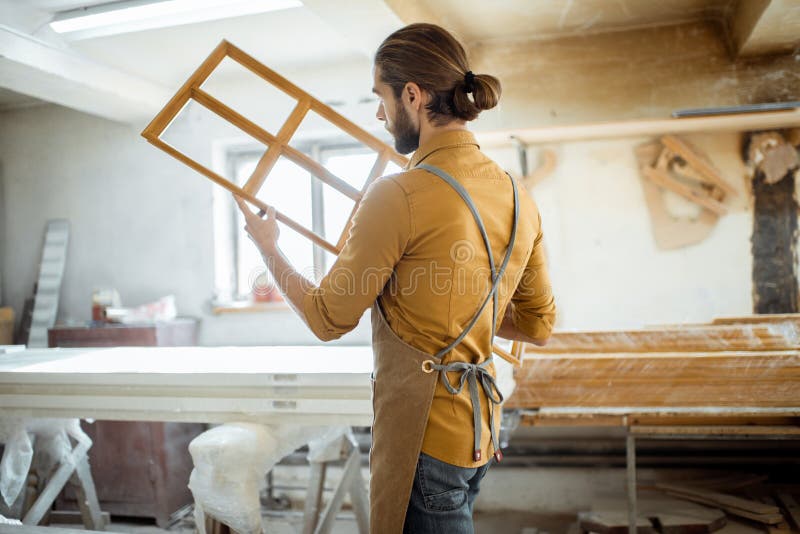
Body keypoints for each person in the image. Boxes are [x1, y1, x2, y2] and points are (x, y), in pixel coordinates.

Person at [235, 22, 556, 534]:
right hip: (479, 430)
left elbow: (327, 318)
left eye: (380, 99)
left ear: (413, 94)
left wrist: (270, 249)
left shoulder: (399, 193)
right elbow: (538, 325)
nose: (381, 114)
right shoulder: (518, 195)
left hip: (423, 441)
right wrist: (456, 308)